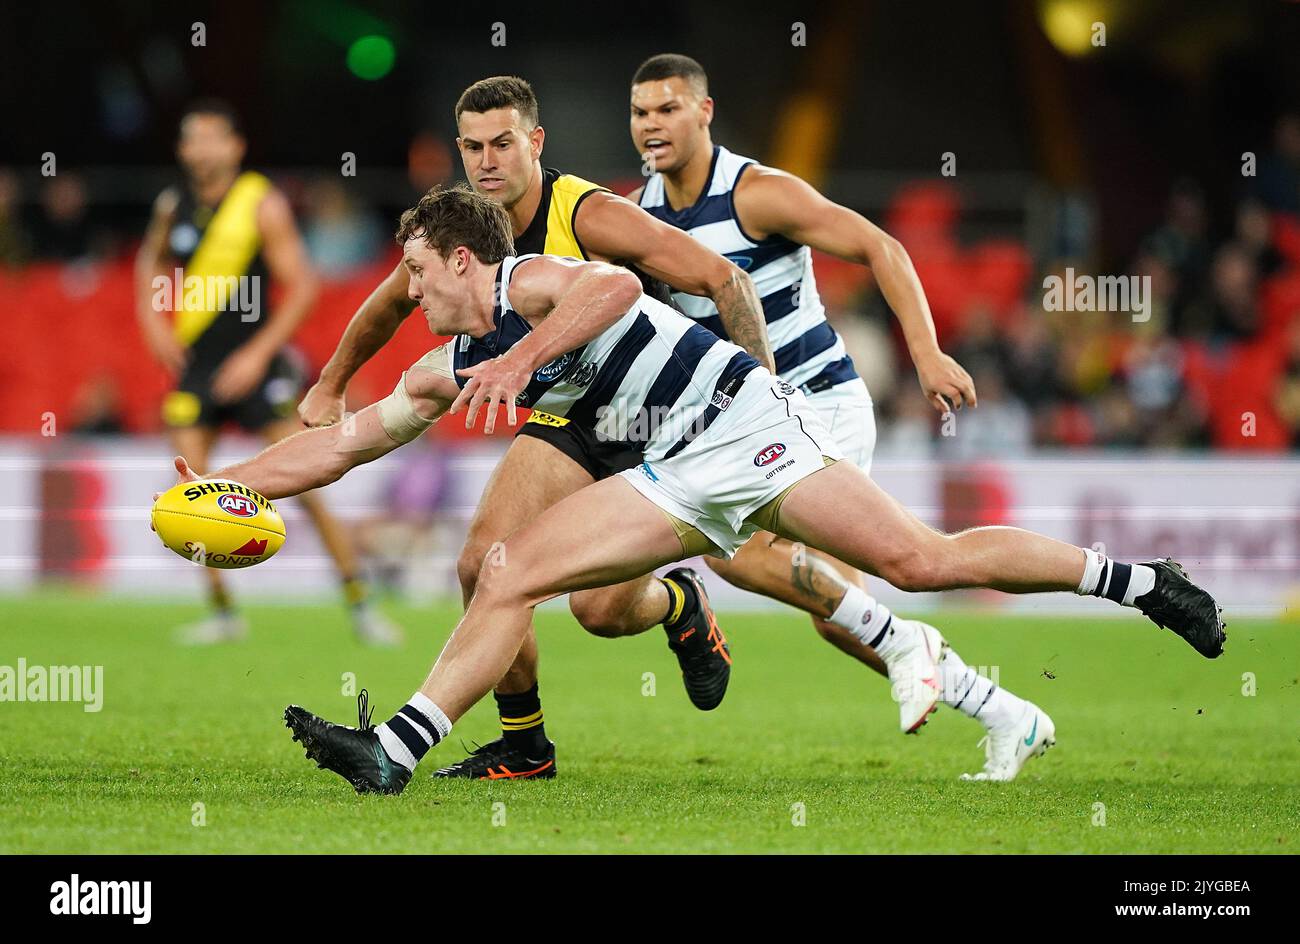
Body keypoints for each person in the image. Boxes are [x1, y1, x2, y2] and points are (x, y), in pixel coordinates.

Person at [161, 185, 1225, 795]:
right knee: (510, 569)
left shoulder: (525, 280)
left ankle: (1139, 582)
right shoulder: (447, 360)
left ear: (454, 259)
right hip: (679, 469)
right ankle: (391, 750)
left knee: (921, 560)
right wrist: (227, 482)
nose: (407, 289)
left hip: (746, 428)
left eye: (415, 272)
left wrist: (521, 359)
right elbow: (343, 444)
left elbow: (617, 283)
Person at [297, 76, 773, 777]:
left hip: (658, 416)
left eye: (502, 144)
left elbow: (725, 280)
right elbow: (387, 304)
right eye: (472, 146)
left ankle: (680, 601)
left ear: (535, 143)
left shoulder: (589, 214)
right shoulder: (459, 230)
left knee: (600, 611)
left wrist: (760, 408)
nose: (487, 161)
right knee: (480, 561)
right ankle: (526, 748)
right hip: (572, 411)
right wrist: (331, 382)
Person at [135, 99, 399, 645]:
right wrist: (156, 326)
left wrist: (255, 356)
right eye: (192, 138)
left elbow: (302, 285)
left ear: (235, 146)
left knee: (306, 479)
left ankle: (360, 602)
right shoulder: (173, 205)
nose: (201, 148)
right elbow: (151, 265)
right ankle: (224, 613)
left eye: (213, 137)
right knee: (191, 486)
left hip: (258, 365)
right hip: (198, 365)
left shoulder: (261, 203)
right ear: (182, 149)